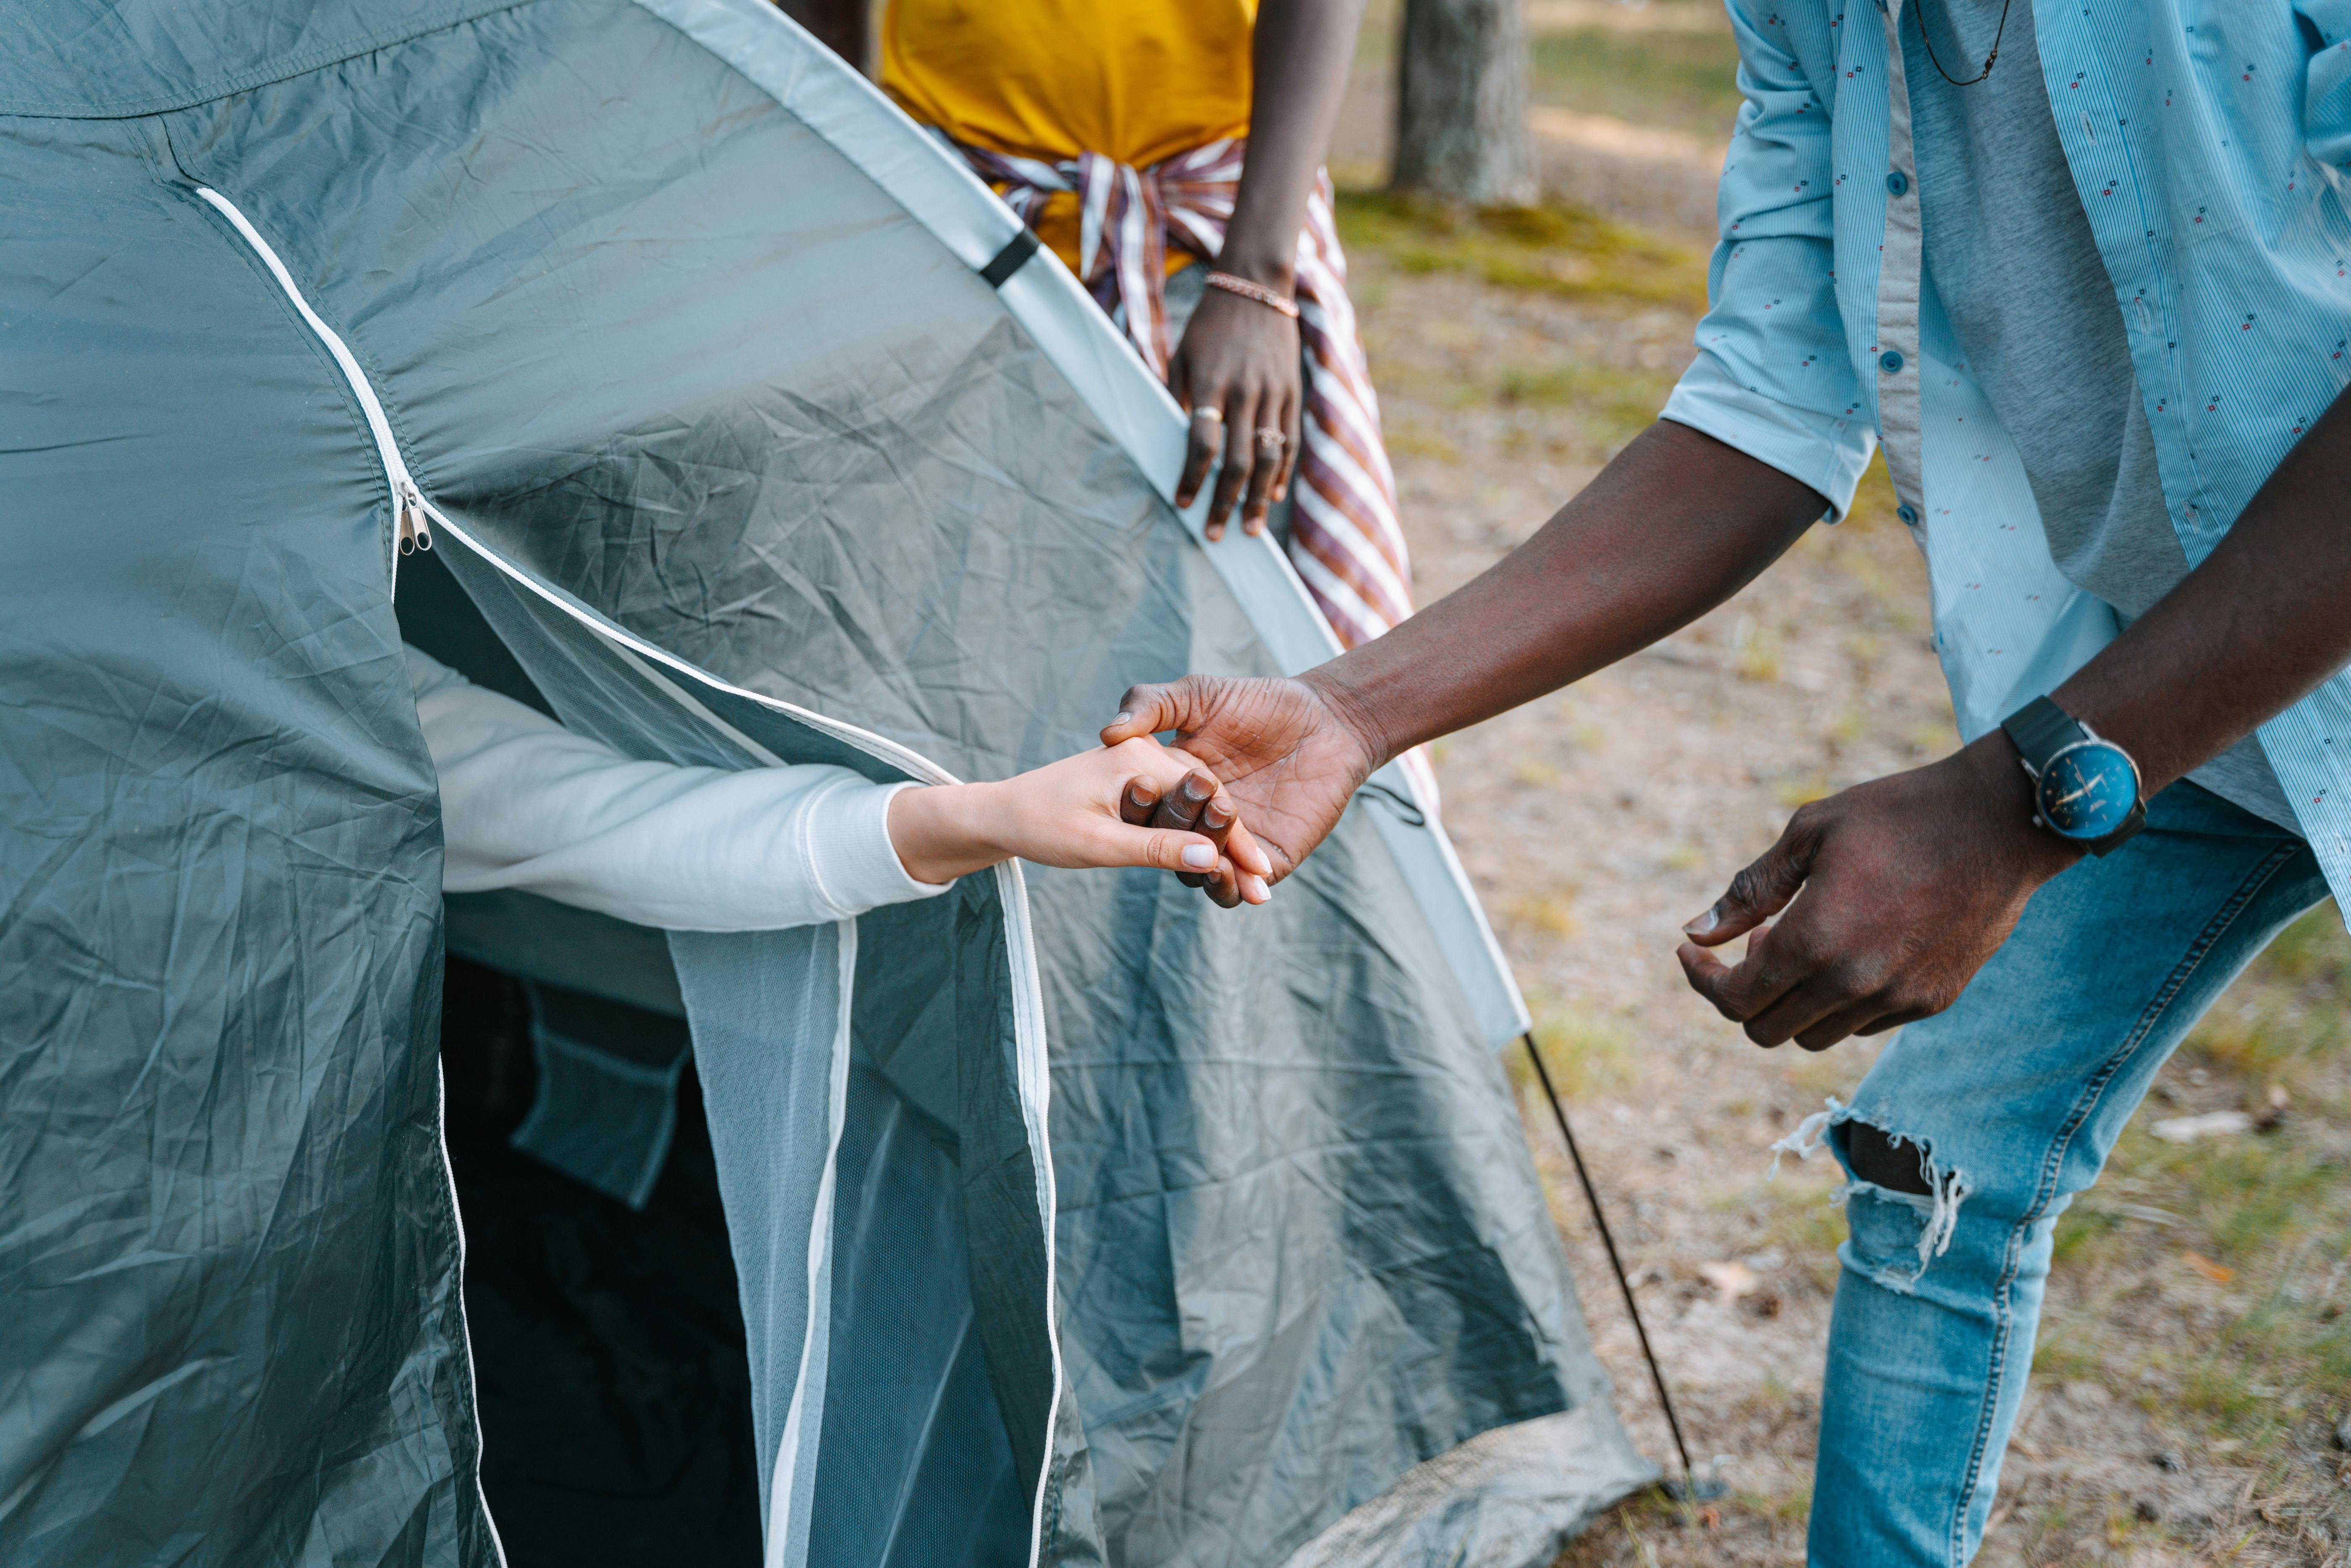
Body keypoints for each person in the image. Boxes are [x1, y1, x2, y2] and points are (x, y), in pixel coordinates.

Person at [1100, 2, 2351, 1561]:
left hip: (2178, 688)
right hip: (2171, 684)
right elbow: (1765, 403)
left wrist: (2019, 794)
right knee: (1933, 1153)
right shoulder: (1819, 19)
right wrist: (1350, 712)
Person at [873, 0, 1415, 649]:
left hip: (1209, 263)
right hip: (945, 223)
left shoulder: (1239, 277)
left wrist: (1256, 279)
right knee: (944, 601)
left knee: (1214, 635)